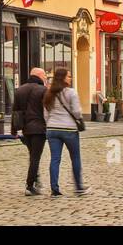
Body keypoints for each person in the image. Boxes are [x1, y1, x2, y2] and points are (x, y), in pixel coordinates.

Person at [43, 68, 87, 196]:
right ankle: (79, 187)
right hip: (69, 129)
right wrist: (78, 119)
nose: (70, 78)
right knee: (75, 157)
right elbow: (77, 112)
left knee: (55, 159)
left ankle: (54, 188)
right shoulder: (71, 93)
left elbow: (45, 113)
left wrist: (50, 124)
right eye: (69, 76)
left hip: (52, 129)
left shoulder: (49, 93)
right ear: (62, 78)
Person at [11, 67, 48, 196]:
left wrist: (13, 130)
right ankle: (30, 185)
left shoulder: (20, 89)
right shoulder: (43, 90)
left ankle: (36, 181)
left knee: (33, 156)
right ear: (38, 75)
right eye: (44, 76)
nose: (46, 78)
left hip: (26, 129)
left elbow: (15, 112)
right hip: (39, 129)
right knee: (35, 158)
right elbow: (47, 110)